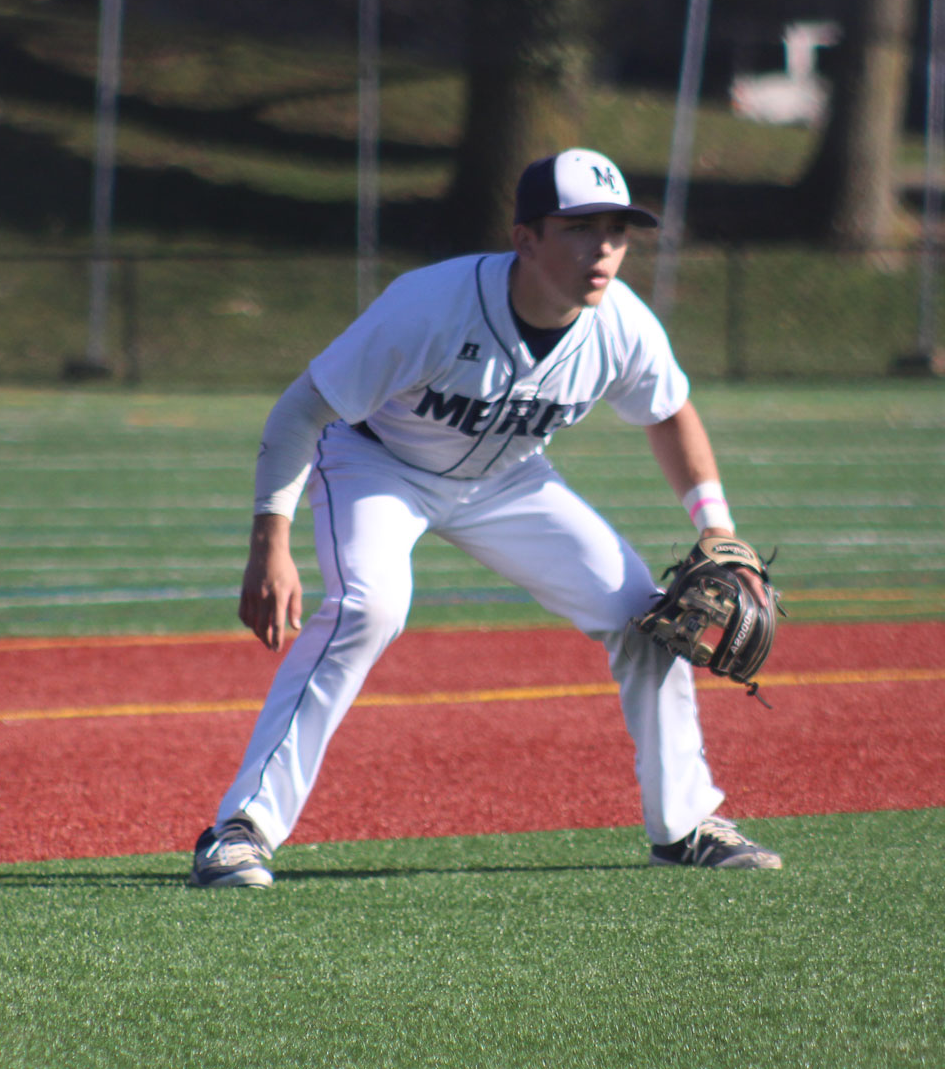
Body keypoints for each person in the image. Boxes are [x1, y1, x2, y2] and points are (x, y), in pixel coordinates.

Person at [190, 148, 781, 888]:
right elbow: (301, 409)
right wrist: (268, 544)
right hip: (380, 464)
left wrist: (715, 523)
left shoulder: (621, 323)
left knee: (644, 615)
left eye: (618, 231)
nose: (603, 248)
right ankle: (240, 830)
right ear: (526, 238)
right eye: (579, 228)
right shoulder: (431, 305)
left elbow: (668, 411)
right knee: (368, 609)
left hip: (508, 480)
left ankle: (686, 824)